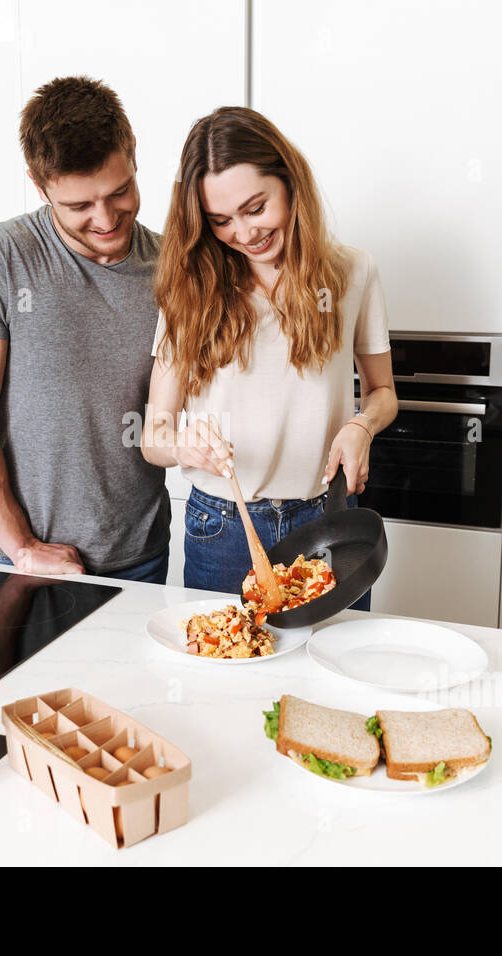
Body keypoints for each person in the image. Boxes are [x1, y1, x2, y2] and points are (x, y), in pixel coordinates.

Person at [142, 107, 397, 607]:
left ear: (289, 184)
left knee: (329, 676)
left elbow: (383, 393)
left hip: (328, 520)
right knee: (226, 678)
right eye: (220, 220)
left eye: (256, 208)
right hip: (223, 527)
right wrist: (183, 447)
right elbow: (154, 437)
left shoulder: (353, 273)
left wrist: (361, 426)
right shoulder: (191, 288)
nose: (244, 232)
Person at [0, 76, 170, 584]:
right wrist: (22, 548)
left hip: (141, 558)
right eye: (79, 206)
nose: (106, 219)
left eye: (120, 191)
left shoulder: (174, 266)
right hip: (22, 562)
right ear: (39, 186)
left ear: (133, 156)